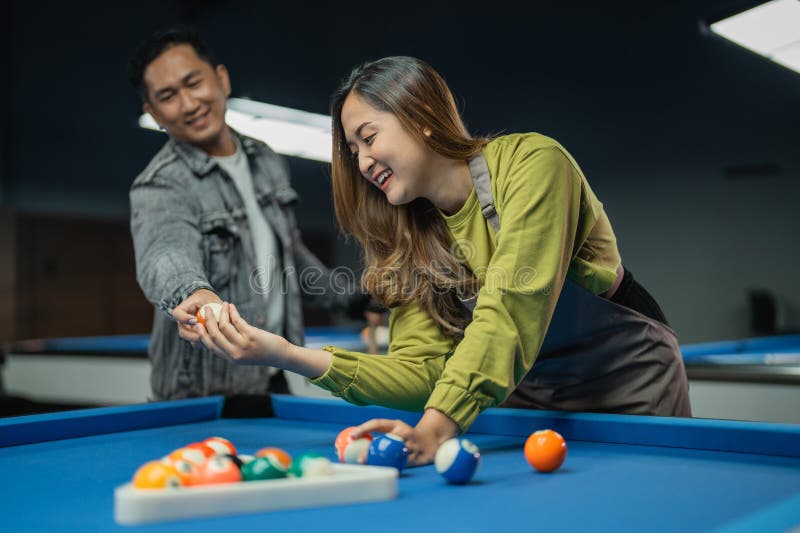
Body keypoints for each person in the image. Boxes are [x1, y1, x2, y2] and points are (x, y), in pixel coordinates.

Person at [195, 56, 691, 463]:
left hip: (630, 385)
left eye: (368, 138)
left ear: (421, 118)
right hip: (526, 403)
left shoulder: (534, 163)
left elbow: (512, 308)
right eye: (353, 151)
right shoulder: (411, 236)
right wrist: (285, 354)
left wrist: (436, 426)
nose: (363, 163)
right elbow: (423, 368)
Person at [127, 28, 372, 404]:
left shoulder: (265, 158)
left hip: (272, 374)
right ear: (155, 114)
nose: (189, 103)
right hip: (201, 395)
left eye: (194, 83)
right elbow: (165, 251)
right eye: (168, 96)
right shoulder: (161, 185)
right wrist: (194, 292)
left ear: (221, 79)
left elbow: (288, 255)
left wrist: (356, 303)